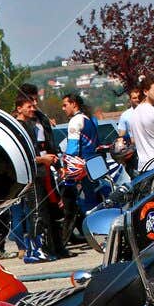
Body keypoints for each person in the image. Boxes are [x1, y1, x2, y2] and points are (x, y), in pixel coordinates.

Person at [12, 90, 66, 261]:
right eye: (29, 106)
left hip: (41, 172)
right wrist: (42, 159)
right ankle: (34, 249)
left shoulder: (31, 125)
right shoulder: (19, 127)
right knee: (35, 211)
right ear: (19, 108)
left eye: (34, 106)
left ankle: (43, 246)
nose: (33, 109)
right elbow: (22, 155)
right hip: (32, 175)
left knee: (42, 211)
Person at [58, 92, 102, 242]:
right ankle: (99, 230)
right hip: (94, 164)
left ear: (74, 104)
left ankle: (89, 234)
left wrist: (65, 167)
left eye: (65, 105)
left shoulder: (75, 121)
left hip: (81, 168)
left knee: (81, 203)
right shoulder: (90, 119)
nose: (63, 109)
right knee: (95, 199)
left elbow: (72, 149)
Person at [112, 84, 143, 170]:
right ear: (130, 100)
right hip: (134, 153)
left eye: (139, 97)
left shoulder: (149, 111)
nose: (137, 99)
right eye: (134, 98)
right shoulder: (125, 115)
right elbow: (121, 137)